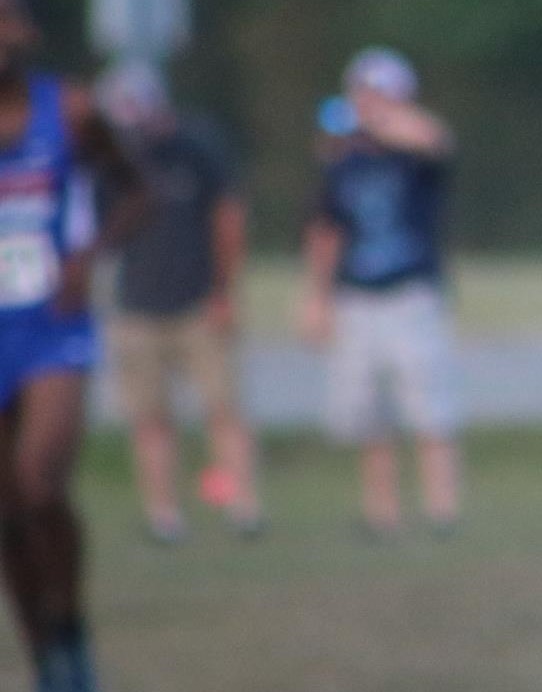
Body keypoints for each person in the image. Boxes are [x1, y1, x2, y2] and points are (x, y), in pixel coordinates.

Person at [0, 0, 149, 692]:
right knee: (6, 513)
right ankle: (47, 656)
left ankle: (70, 620)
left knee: (39, 487)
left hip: (50, 327)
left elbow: (138, 192)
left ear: (22, 34)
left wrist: (89, 257)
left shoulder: (73, 110)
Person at [298, 47, 461, 539]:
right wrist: (316, 297)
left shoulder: (416, 154)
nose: (365, 103)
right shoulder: (343, 162)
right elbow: (326, 232)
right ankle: (382, 513)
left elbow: (436, 140)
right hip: (357, 297)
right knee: (368, 415)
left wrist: (376, 120)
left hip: (410, 293)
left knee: (429, 409)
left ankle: (442, 511)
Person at [96, 63, 262, 543]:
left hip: (198, 302)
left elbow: (228, 217)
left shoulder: (195, 150)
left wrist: (224, 291)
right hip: (136, 308)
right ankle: (164, 516)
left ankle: (242, 507)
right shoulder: (112, 167)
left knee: (223, 408)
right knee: (149, 418)